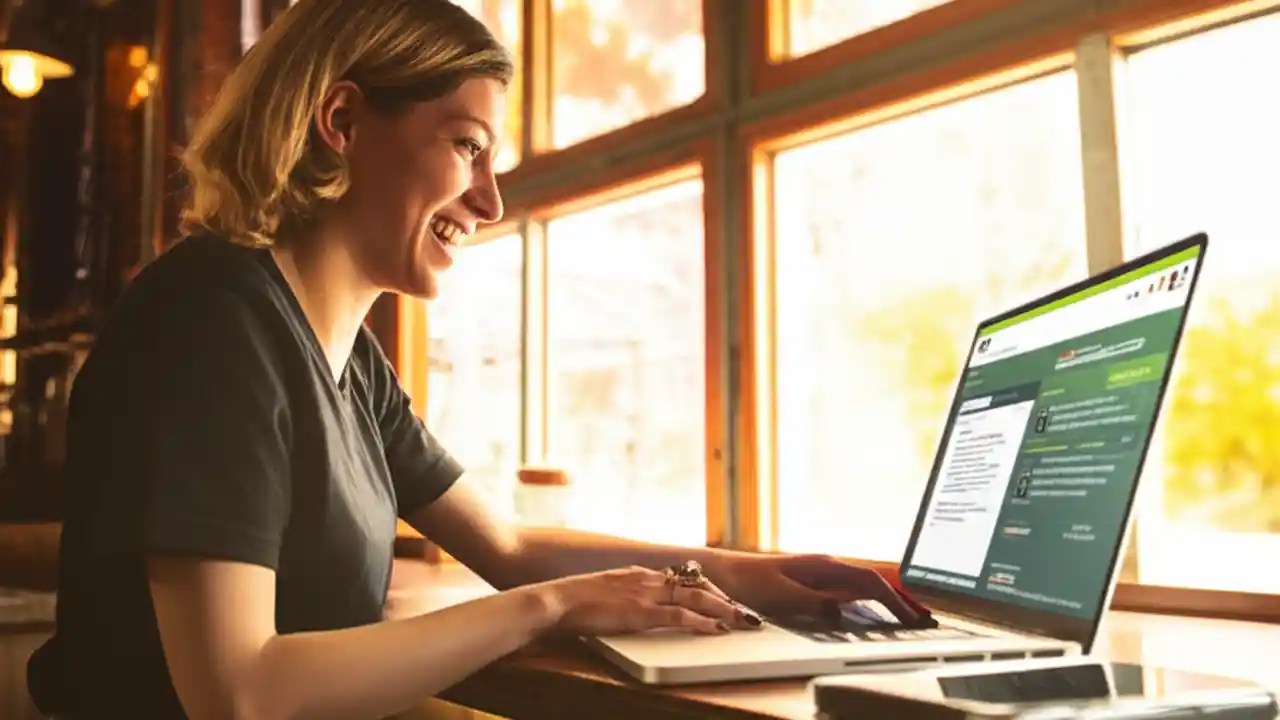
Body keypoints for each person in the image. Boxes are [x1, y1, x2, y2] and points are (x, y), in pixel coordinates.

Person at [27, 1, 920, 718]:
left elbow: (511, 546)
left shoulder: (347, 358)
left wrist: (744, 572)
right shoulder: (213, 320)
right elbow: (240, 694)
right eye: (467, 146)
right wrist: (551, 609)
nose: (490, 202)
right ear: (341, 119)